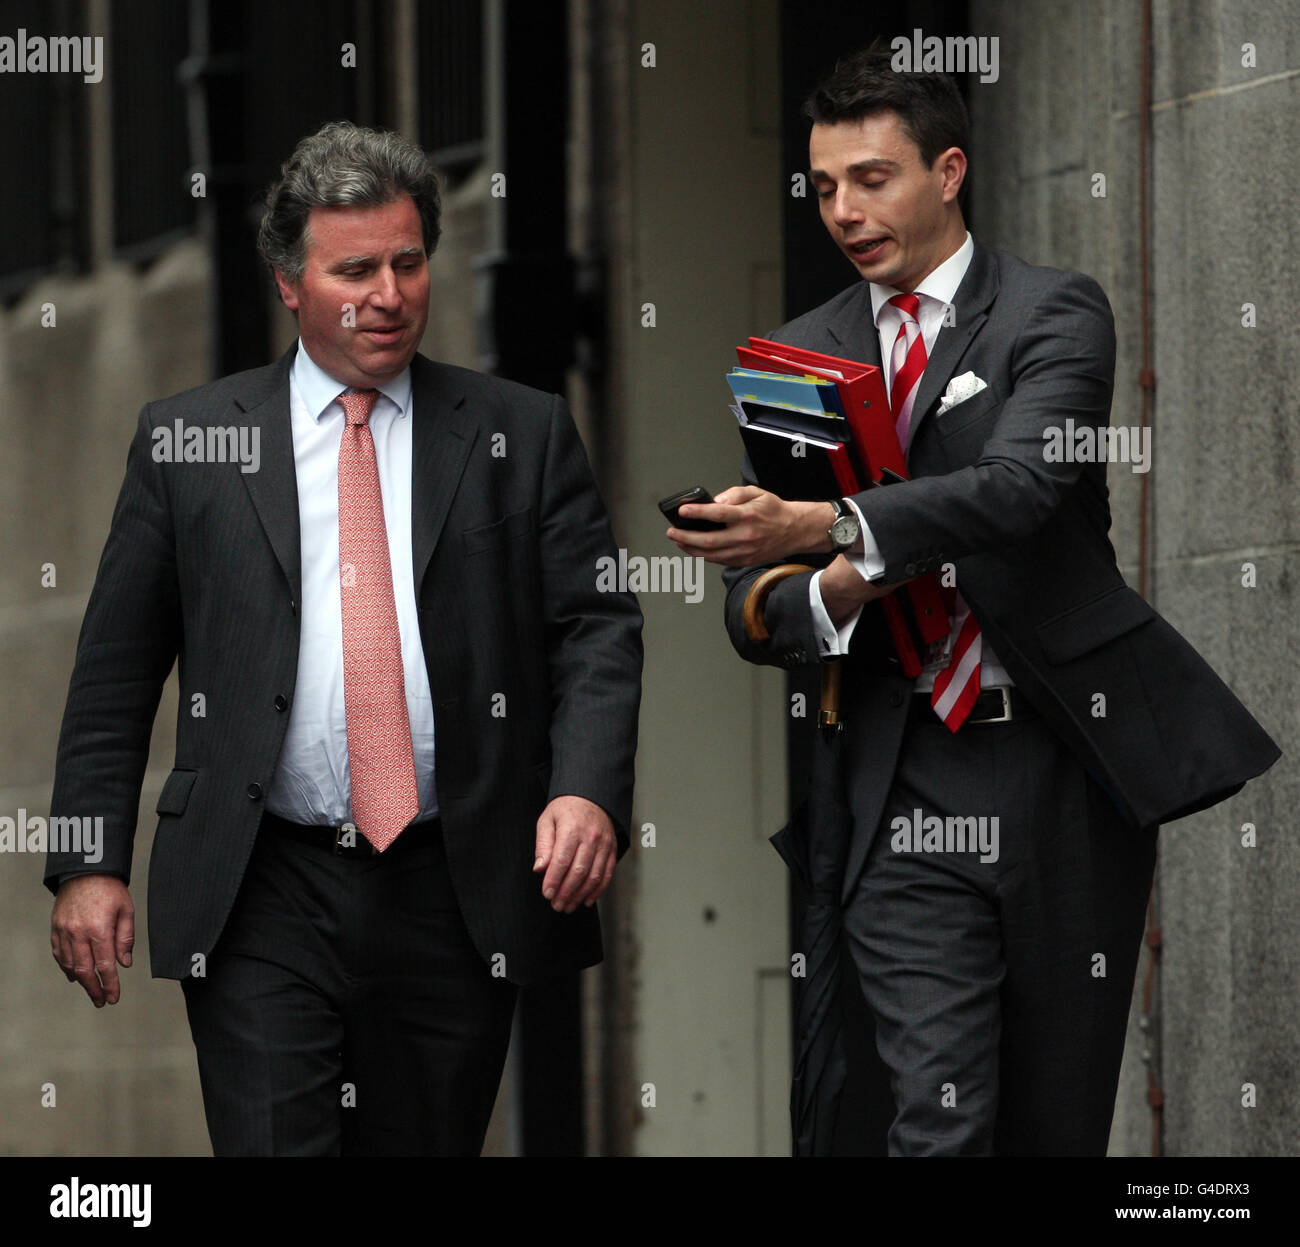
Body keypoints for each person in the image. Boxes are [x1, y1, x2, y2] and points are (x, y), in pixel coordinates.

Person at [668, 49, 1278, 1155]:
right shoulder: (796, 353)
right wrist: (822, 585)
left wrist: (829, 529)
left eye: (871, 178)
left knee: (1053, 1122)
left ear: (948, 171)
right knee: (936, 1121)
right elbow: (756, 608)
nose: (843, 211)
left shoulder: (1054, 312)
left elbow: (1023, 486)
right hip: (898, 782)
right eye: (822, 188)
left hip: (1057, 765)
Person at [45, 121, 643, 1156]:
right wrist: (85, 859)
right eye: (354, 268)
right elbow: (115, 665)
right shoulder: (190, 443)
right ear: (290, 283)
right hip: (262, 884)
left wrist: (584, 787)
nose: (390, 292)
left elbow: (594, 624)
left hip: (450, 885)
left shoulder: (520, 432)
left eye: (408, 262)